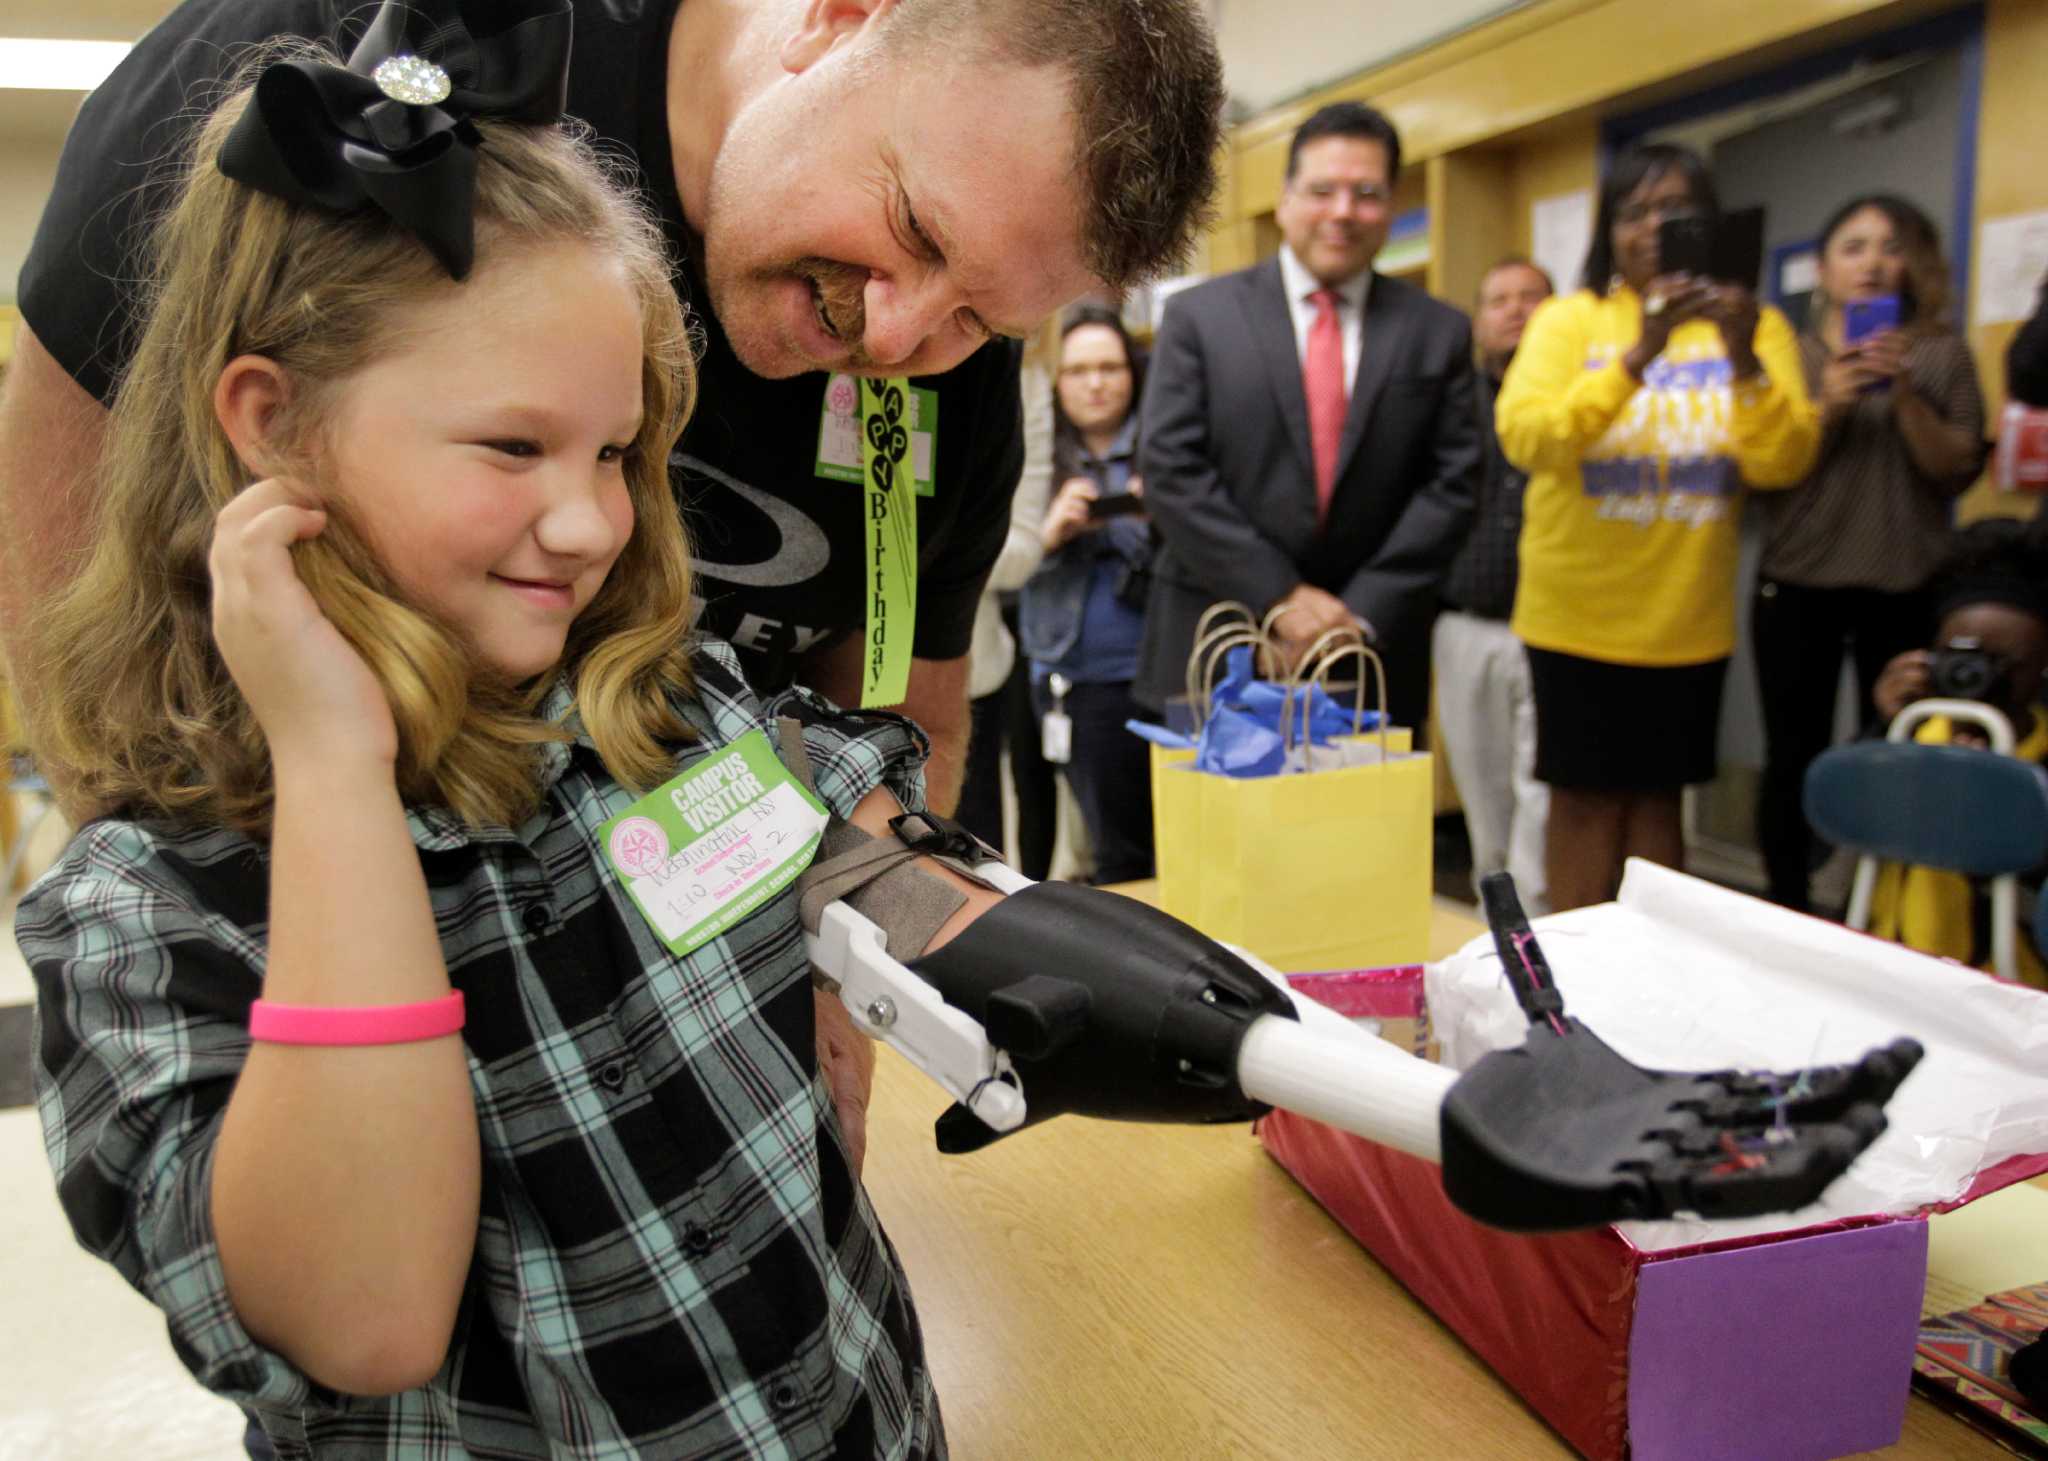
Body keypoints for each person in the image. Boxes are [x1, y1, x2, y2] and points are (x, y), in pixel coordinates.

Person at [18, 29, 999, 1455]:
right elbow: (368, 1314)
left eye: (612, 453)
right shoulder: (147, 911)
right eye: (512, 449)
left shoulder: (657, 710)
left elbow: (876, 862)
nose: (593, 522)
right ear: (271, 423)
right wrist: (335, 768)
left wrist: (1098, 975)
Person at [0, 0, 1226, 820]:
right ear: (839, 17)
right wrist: (186, 923)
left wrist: (843, 992)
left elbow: (904, 717)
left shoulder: (945, 374)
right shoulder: (369, 52)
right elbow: (65, 576)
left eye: (979, 321)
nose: (898, 341)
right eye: (912, 226)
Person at [1496, 142, 1820, 912]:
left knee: (1658, 804)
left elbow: (1783, 460)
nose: (1652, 228)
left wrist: (1743, 359)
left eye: (1674, 209)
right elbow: (1527, 436)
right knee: (1581, 802)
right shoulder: (1570, 320)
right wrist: (1638, 354)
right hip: (1575, 617)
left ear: (1708, 222)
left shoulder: (1757, 327)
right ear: (1609, 230)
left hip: (1685, 622)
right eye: (1634, 211)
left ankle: (1651, 969)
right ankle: (1574, 968)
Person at [1134, 101, 1480, 736]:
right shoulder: (1200, 319)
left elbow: (1454, 485)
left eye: (1366, 194)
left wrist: (1357, 614)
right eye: (1322, 190)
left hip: (1368, 654)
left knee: (1364, 806)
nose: (1342, 211)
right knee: (1211, 808)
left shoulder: (1438, 332)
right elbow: (1169, 468)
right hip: (1218, 639)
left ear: (1391, 206)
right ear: (1286, 199)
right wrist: (1279, 597)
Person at [1749, 195, 1987, 912]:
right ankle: (1787, 905)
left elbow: (1957, 468)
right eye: (1853, 247)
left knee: (1901, 751)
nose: (1874, 262)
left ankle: (1887, 909)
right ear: (1823, 269)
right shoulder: (1787, 356)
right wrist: (1828, 406)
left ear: (1910, 265)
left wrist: (1905, 396)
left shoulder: (1941, 353)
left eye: (1890, 247)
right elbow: (1761, 474)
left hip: (1906, 585)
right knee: (1791, 756)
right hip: (1797, 583)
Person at [1866, 520, 2048, 985]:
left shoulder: (2041, 760)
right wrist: (1882, 734)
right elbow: (1827, 835)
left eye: (2004, 664)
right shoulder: (1911, 732)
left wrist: (1992, 800)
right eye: (1962, 657)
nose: (1978, 678)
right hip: (1890, 964)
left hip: (2008, 984)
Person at [1432, 256, 1554, 912]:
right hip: (1466, 619)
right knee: (1483, 789)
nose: (1516, 310)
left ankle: (1535, 920)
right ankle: (1493, 922)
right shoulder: (1452, 405)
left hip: (1554, 626)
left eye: (1531, 296)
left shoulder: (1571, 401)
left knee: (1543, 789)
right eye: (1499, 299)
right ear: (1478, 320)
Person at [1020, 305, 1158, 884]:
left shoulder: (1168, 447)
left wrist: (1159, 517)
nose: (1096, 383)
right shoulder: (1031, 455)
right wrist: (1049, 531)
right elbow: (999, 563)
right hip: (1074, 674)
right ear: (1055, 380)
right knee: (1115, 851)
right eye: (1077, 371)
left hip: (1165, 671)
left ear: (1134, 372)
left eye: (1110, 367)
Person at [954, 349, 1052, 869]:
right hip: (817, 669)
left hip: (967, 670)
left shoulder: (1021, 373)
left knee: (972, 869)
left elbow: (1020, 551)